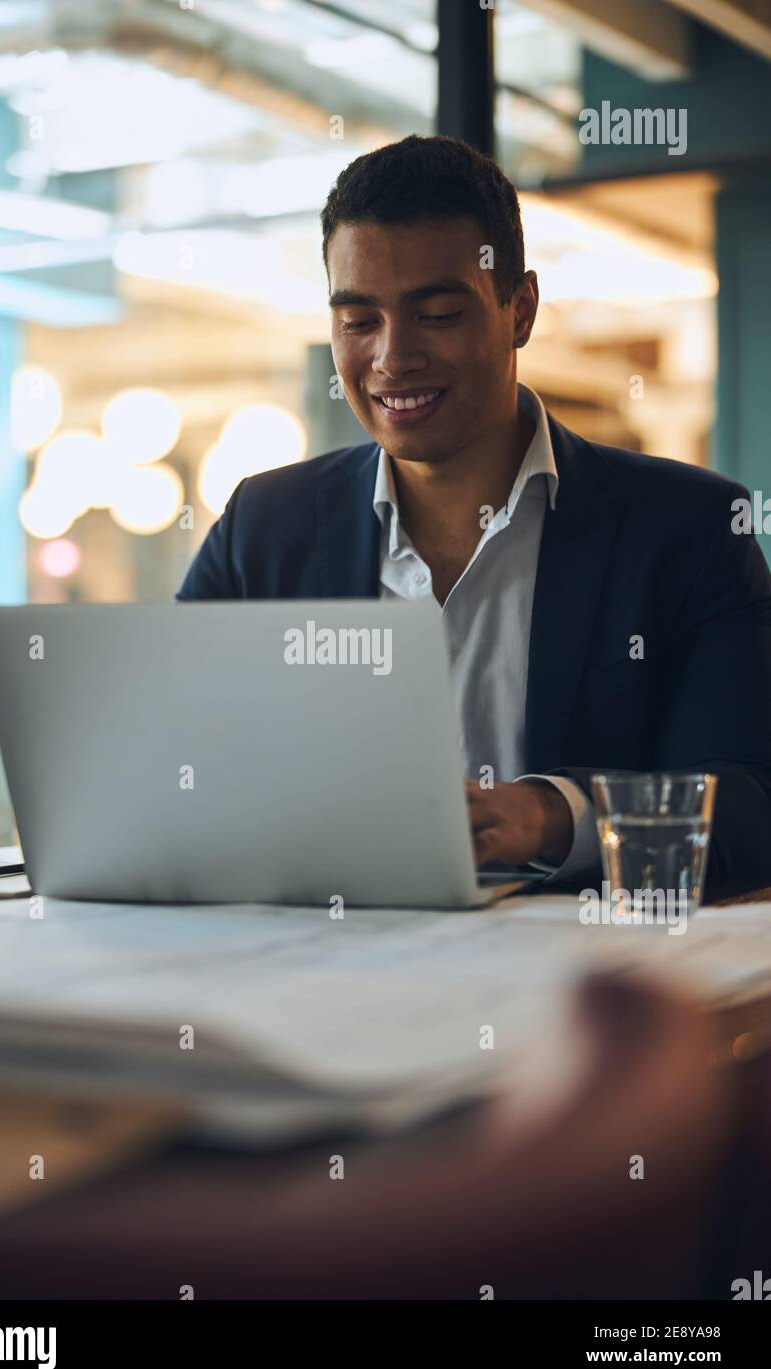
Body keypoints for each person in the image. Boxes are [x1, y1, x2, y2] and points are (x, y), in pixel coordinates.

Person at [176, 135, 771, 895]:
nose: (394, 358)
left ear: (518, 309)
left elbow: (752, 803)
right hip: (315, 973)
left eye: (439, 313)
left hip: (578, 989)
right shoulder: (265, 524)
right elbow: (173, 761)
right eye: (359, 322)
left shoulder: (688, 527)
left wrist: (549, 816)